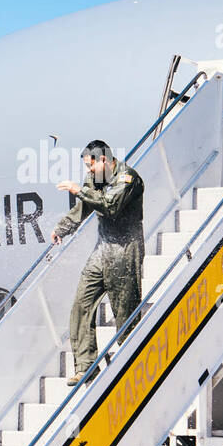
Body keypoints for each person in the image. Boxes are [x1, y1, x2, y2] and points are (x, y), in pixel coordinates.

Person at [51, 140, 145, 385]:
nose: (89, 171)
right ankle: (85, 366)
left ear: (104, 160)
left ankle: (132, 365)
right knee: (81, 305)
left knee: (125, 314)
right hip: (102, 249)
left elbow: (110, 207)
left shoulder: (128, 178)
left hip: (126, 249)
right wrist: (63, 228)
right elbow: (83, 207)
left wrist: (77, 190)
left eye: (91, 166)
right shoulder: (94, 179)